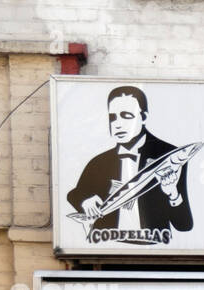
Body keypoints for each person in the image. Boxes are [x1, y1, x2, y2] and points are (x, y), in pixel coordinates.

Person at [66, 85, 193, 237]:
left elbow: (184, 225)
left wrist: (173, 193)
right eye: (113, 117)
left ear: (143, 117)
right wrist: (85, 201)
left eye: (126, 116)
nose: (118, 124)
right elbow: (74, 193)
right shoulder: (100, 161)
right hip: (107, 244)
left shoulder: (168, 155)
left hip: (156, 245)